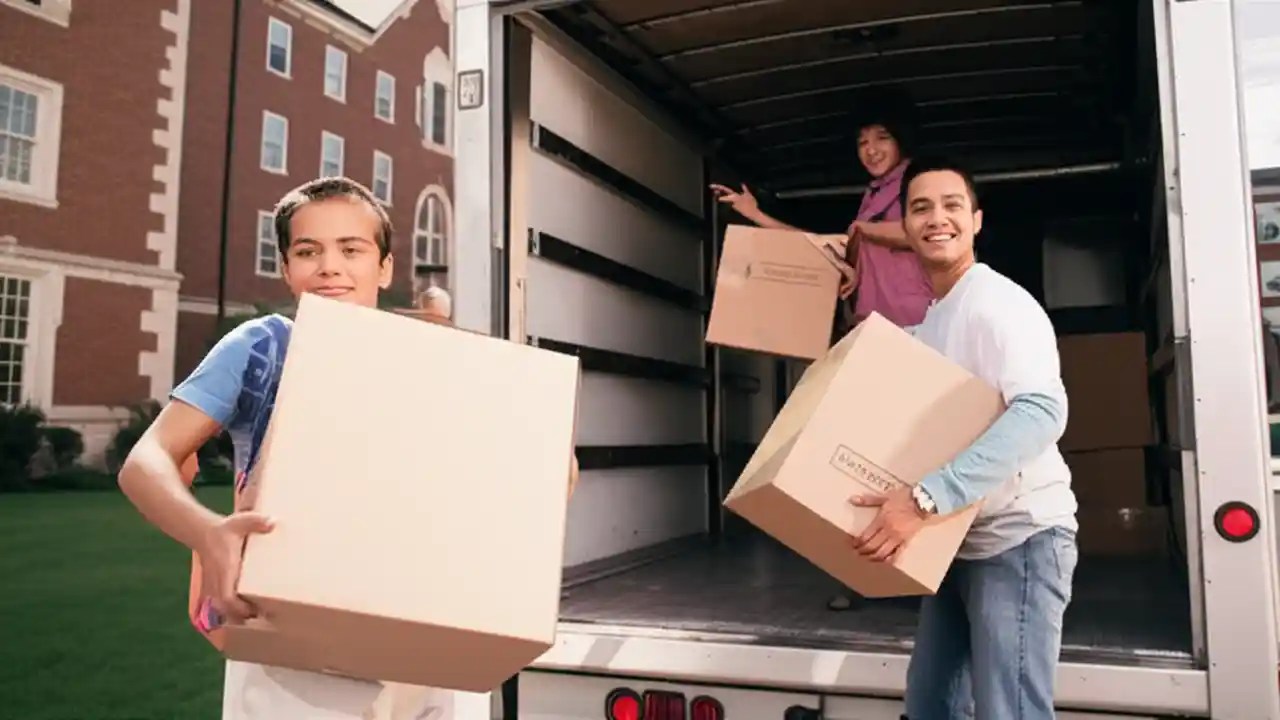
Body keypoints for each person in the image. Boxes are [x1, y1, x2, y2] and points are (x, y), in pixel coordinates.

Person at [117, 177, 578, 720]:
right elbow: (145, 462)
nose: (329, 265)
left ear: (384, 266)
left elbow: (548, 470)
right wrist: (207, 533)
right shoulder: (263, 346)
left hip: (434, 639)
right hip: (294, 645)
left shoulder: (439, 356)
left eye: (351, 249)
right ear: (286, 268)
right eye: (308, 251)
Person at [849, 157, 1078, 719]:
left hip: (1017, 541)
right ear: (904, 229)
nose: (937, 218)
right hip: (956, 541)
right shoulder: (934, 320)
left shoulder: (997, 302)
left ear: (976, 220)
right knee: (931, 706)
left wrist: (925, 497)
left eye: (952, 205)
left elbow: (1043, 411)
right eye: (920, 207)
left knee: (1010, 712)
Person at [711, 105, 934, 612]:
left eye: (881, 136)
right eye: (862, 142)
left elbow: (920, 230)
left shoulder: (914, 182)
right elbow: (830, 250)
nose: (871, 149)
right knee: (873, 462)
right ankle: (871, 573)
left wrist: (863, 232)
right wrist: (757, 217)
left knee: (919, 459)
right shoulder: (873, 198)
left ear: (901, 142)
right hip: (874, 339)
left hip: (920, 335)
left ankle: (926, 577)